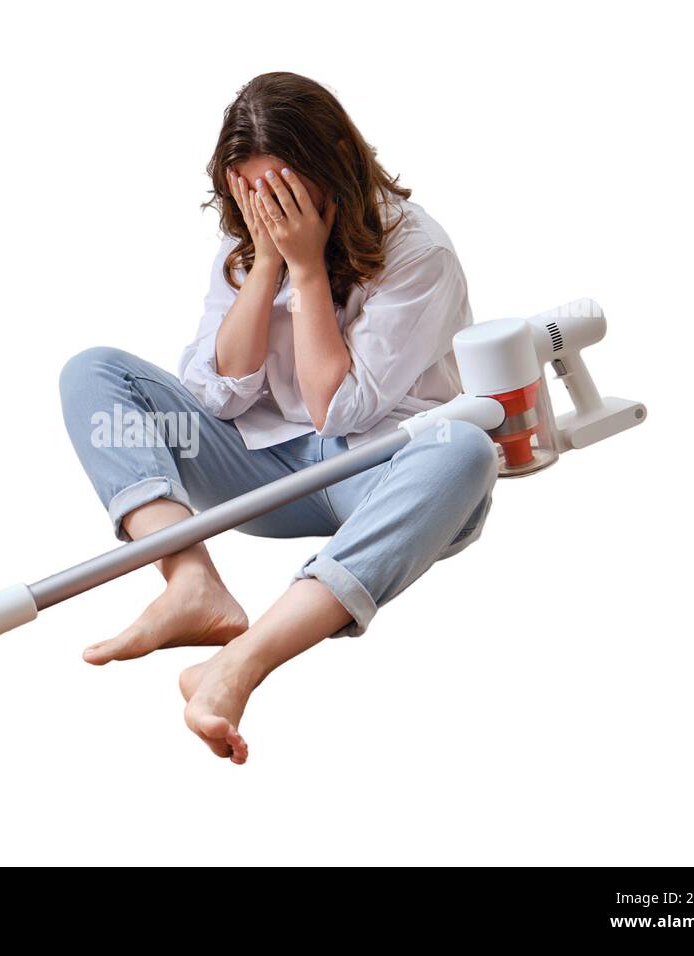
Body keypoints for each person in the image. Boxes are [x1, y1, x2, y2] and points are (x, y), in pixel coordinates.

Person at [59, 72, 498, 763]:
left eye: (288, 190)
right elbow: (217, 395)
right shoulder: (248, 249)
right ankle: (190, 580)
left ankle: (241, 662)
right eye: (255, 193)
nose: (272, 209)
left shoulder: (420, 252)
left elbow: (339, 410)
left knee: (467, 450)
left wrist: (310, 274)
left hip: (380, 474)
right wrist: (267, 266)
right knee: (94, 372)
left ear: (334, 169)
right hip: (265, 472)